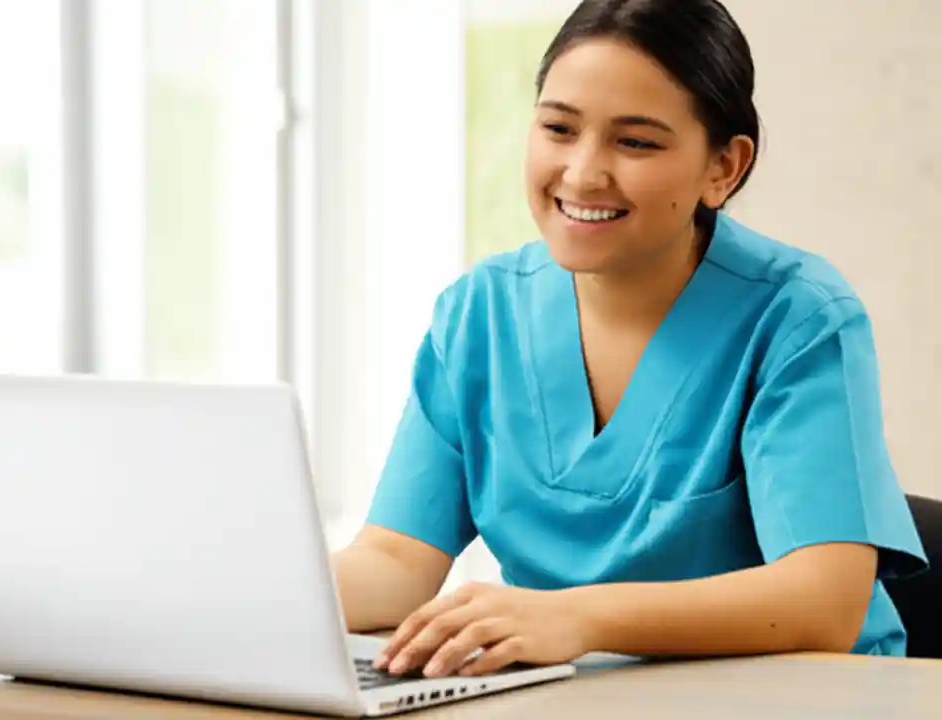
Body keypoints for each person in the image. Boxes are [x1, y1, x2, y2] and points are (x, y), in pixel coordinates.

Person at [332, 0, 928, 678]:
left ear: (723, 169)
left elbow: (825, 600)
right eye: (558, 128)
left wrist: (577, 617)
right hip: (574, 701)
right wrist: (232, 599)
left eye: (636, 142)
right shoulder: (479, 315)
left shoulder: (799, 318)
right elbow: (395, 562)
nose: (583, 173)